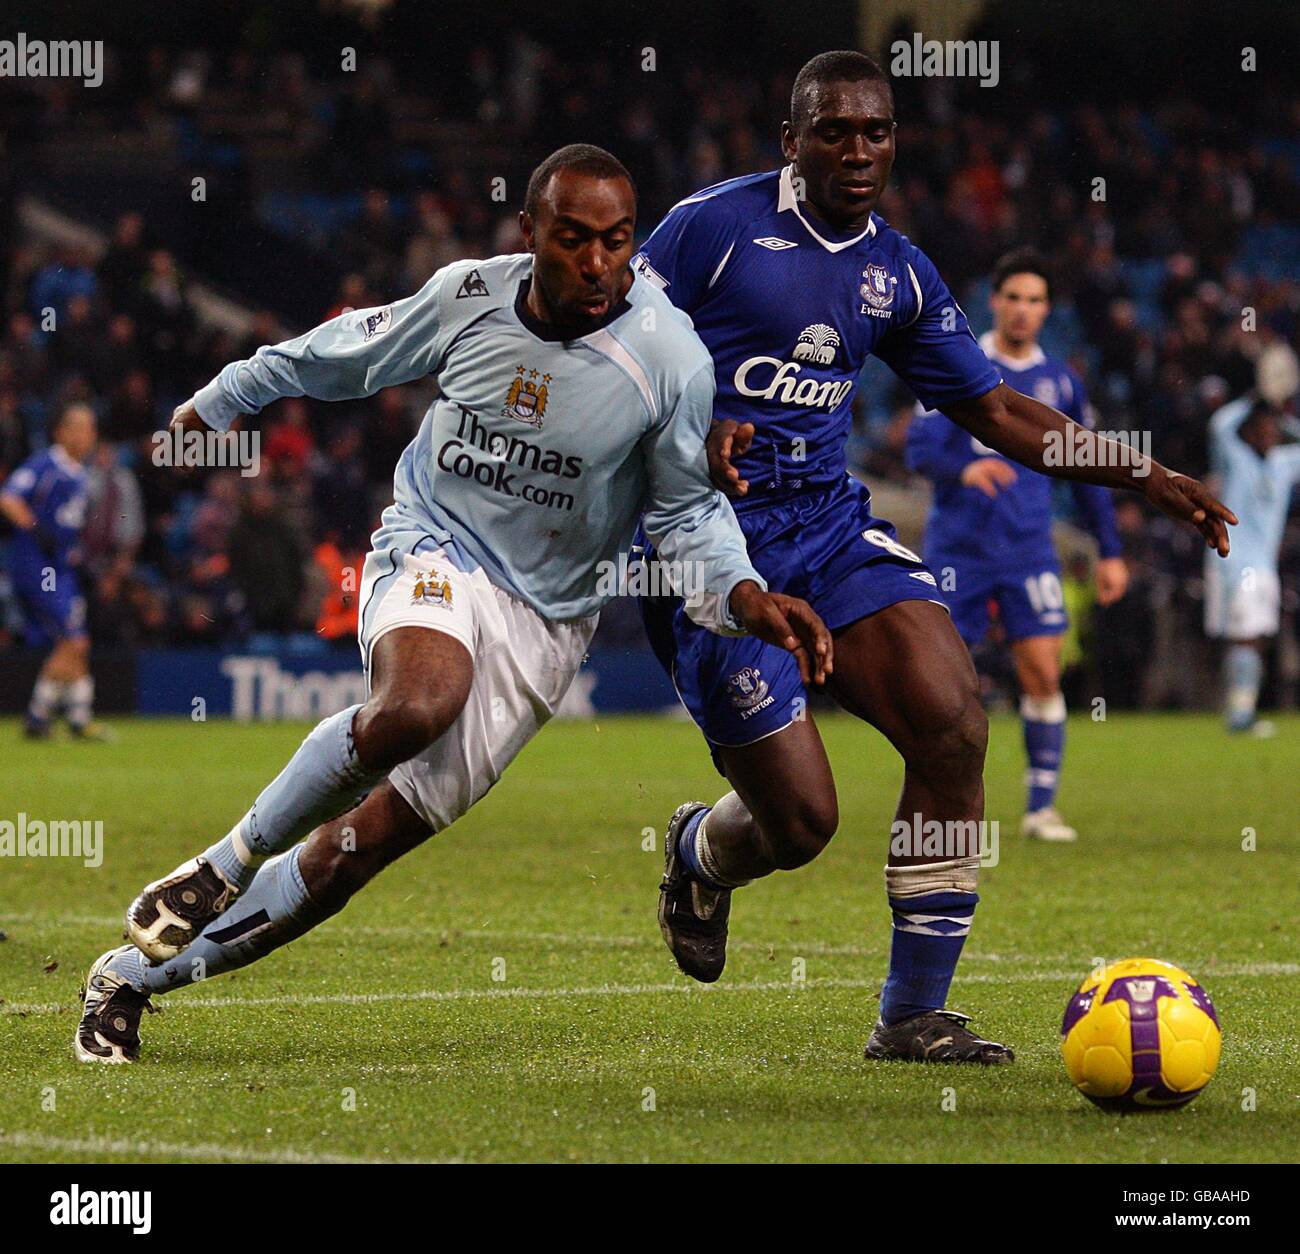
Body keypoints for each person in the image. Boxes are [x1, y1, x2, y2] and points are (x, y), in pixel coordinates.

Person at [74, 144, 830, 1064]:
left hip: (546, 620)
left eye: (617, 242)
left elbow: (685, 510)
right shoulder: (469, 296)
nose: (597, 264)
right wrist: (226, 397)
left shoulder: (669, 358)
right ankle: (220, 866)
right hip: (433, 544)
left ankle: (128, 977)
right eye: (574, 239)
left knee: (355, 852)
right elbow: (344, 352)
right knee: (419, 701)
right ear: (530, 234)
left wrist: (745, 595)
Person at [633, 52, 1235, 1063]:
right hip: (707, 549)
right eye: (833, 131)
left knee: (954, 722)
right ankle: (700, 850)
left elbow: (994, 409)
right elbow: (605, 348)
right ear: (792, 141)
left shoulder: (896, 270)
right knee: (799, 828)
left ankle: (912, 1013)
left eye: (875, 131)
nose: (857, 150)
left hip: (826, 531)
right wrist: (687, 438)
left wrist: (1138, 473)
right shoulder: (710, 229)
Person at [907, 248, 1127, 842]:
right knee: (943, 688)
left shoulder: (1061, 381)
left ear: (1047, 309)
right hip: (959, 551)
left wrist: (1109, 549)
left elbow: (1089, 467)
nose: (1024, 310)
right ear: (994, 302)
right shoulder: (961, 364)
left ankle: (1040, 807)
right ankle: (938, 812)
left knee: (1043, 674)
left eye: (1035, 300)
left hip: (1029, 550)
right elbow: (918, 449)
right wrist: (963, 470)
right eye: (1014, 298)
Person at [1203, 344, 1300, 734]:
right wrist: (1254, 397)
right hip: (1234, 562)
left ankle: (1242, 710)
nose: (1265, 433)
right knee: (1243, 637)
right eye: (1258, 428)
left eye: (1270, 428)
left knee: (1256, 637)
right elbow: (1220, 426)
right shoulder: (1235, 458)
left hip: (1263, 566)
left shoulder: (1283, 463)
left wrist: (1280, 409)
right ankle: (1239, 716)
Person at [0, 402, 108, 739]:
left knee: (76, 641)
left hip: (61, 567)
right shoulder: (46, 464)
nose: (87, 435)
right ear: (61, 432)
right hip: (37, 567)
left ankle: (72, 717)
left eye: (90, 428)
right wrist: (36, 529)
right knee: (73, 639)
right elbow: (8, 498)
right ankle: (43, 716)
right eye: (79, 427)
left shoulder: (81, 473)